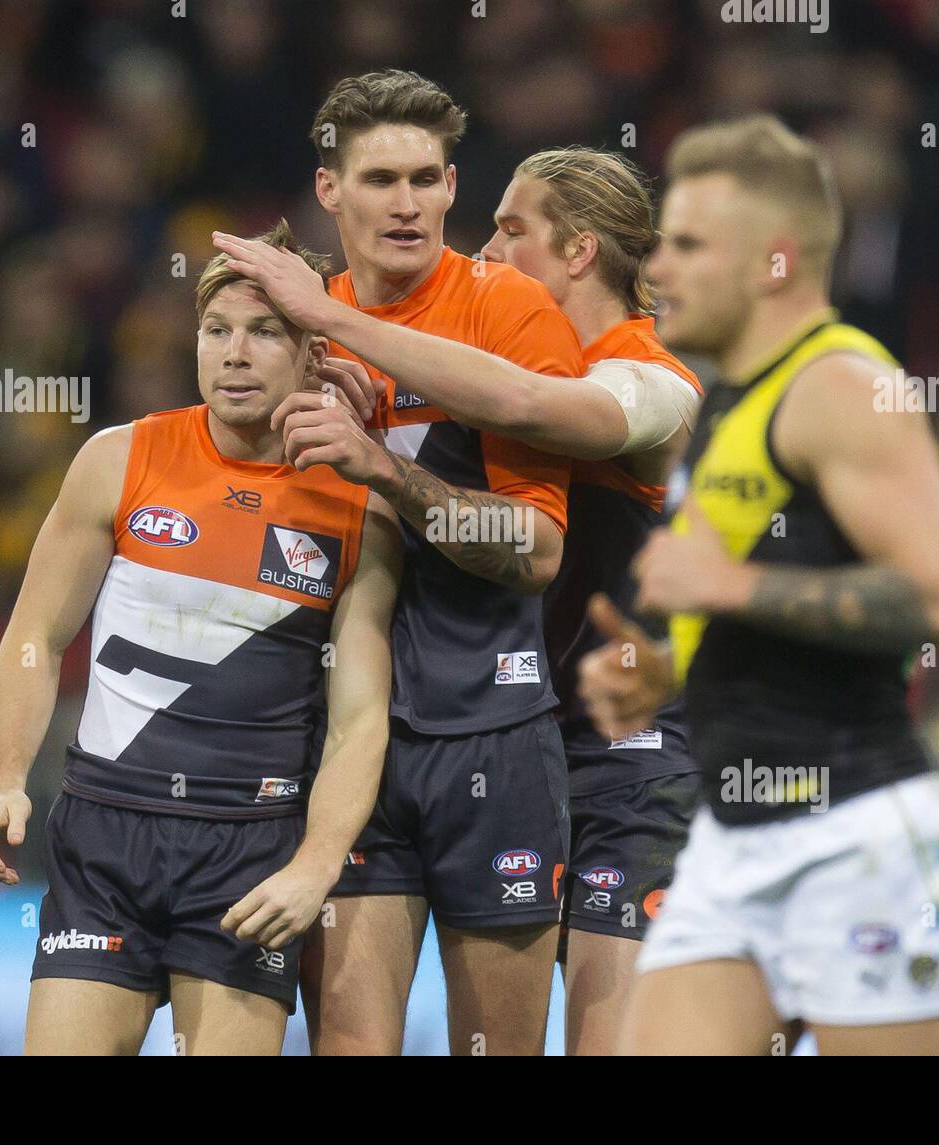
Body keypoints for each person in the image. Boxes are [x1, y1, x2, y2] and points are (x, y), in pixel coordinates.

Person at [222, 146, 703, 1054]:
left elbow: (526, 403)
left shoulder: (653, 379)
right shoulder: (480, 355)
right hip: (514, 732)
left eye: (512, 230)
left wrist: (328, 313)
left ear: (581, 253)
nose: (482, 250)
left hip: (628, 759)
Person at [578, 115, 939, 1056]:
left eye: (687, 245)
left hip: (854, 835)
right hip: (732, 836)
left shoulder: (840, 385)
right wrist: (658, 670)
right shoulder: (729, 399)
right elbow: (744, 607)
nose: (659, 268)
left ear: (774, 262)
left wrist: (731, 588)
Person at [215, 69, 585, 1056]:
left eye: (426, 178)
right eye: (380, 178)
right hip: (341, 746)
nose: (407, 204)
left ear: (456, 186)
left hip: (492, 735)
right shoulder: (287, 329)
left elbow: (535, 550)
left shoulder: (509, 312)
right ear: (330, 190)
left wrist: (381, 468)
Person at [0, 221, 401, 1056]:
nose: (236, 353)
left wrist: (314, 865)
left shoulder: (359, 507)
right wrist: (6, 779)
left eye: (266, 332)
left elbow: (359, 720)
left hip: (248, 850)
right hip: (105, 833)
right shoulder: (118, 458)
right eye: (217, 331)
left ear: (314, 351)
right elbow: (34, 635)